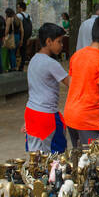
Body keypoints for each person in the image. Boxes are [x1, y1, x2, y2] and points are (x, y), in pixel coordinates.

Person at [62, 14, 99, 148]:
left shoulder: (77, 55)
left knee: (79, 158)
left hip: (71, 115)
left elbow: (77, 83)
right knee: (92, 161)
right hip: (89, 119)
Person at [23, 24, 70, 153]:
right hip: (46, 115)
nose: (61, 45)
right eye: (59, 41)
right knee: (54, 155)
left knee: (36, 153)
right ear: (48, 41)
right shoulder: (51, 63)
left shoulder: (34, 59)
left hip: (32, 111)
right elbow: (71, 83)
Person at [16, 2, 33, 68]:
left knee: (16, 51)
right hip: (27, 36)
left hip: (20, 36)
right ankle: (22, 65)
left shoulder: (19, 16)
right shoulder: (29, 17)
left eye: (18, 7)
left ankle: (16, 65)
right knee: (23, 51)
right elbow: (31, 27)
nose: (17, 9)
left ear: (21, 8)